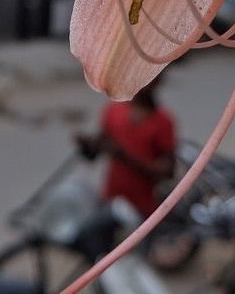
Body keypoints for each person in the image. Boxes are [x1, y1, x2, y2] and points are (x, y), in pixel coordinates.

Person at [76, 81, 177, 218]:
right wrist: (87, 146)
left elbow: (167, 172)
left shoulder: (163, 122)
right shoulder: (114, 111)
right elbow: (94, 154)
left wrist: (126, 157)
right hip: (110, 202)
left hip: (142, 210)